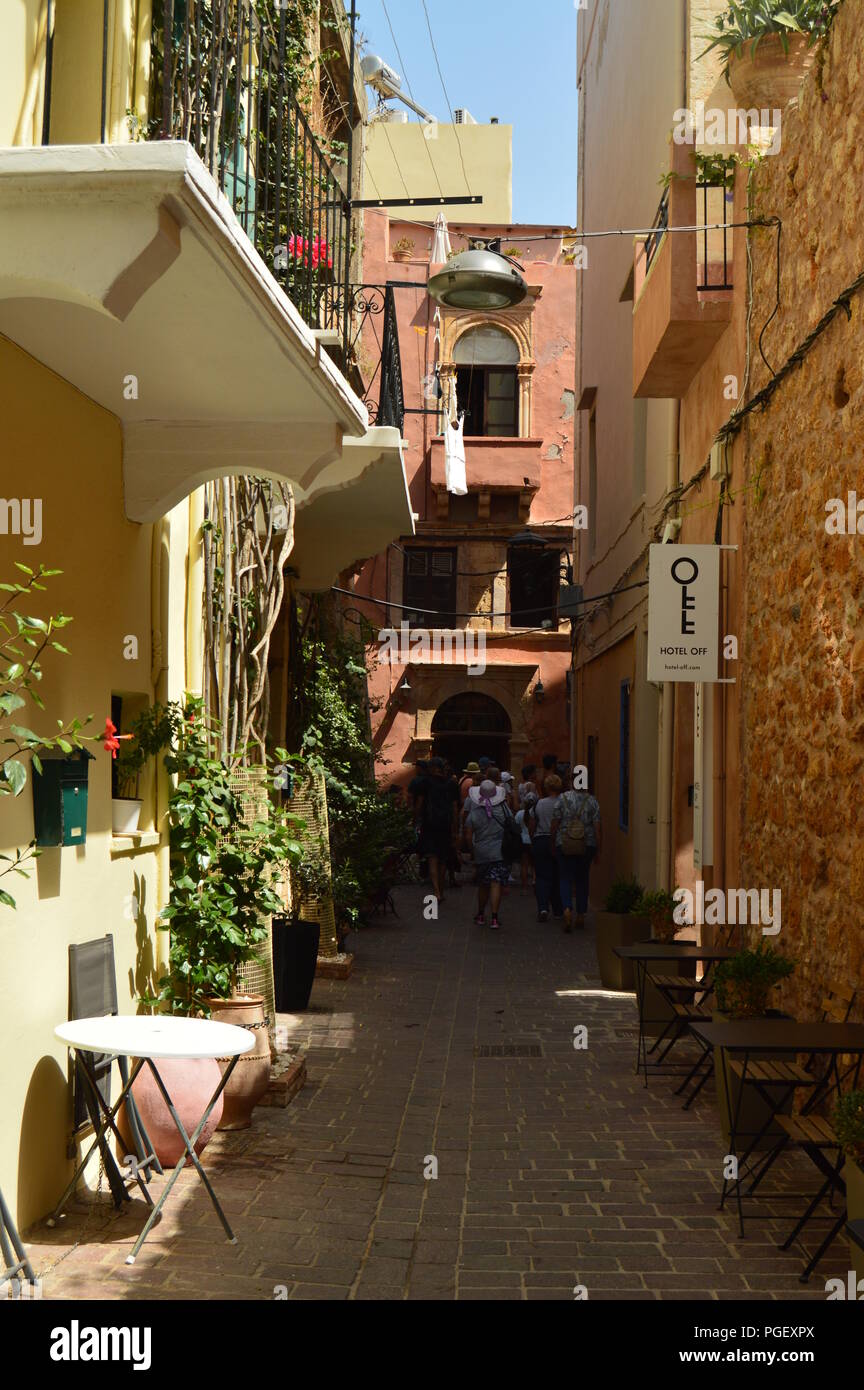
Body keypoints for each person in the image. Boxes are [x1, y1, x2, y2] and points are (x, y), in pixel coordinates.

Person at [552, 782, 602, 932]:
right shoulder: (592, 801)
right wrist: (598, 849)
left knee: (565, 878)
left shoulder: (562, 798)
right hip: (587, 844)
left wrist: (552, 841)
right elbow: (597, 827)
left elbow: (554, 823)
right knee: (582, 878)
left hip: (565, 842)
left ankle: (567, 908)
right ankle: (581, 914)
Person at [464, 779, 513, 930]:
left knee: (483, 885)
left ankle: (480, 915)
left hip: (482, 852)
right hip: (499, 852)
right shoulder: (504, 810)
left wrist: (473, 851)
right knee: (495, 883)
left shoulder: (474, 813)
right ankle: (494, 918)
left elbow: (468, 835)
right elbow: (511, 825)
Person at [413, 756, 459, 905]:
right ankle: (441, 890)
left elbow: (419, 804)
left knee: (432, 857)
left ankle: (437, 891)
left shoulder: (425, 783)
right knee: (443, 858)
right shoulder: (452, 784)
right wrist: (455, 828)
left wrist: (415, 820)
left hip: (430, 823)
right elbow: (455, 808)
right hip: (445, 824)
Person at [529, 773, 564, 920]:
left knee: (542, 876)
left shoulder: (539, 803)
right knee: (558, 876)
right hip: (558, 841)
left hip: (541, 839)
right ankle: (558, 909)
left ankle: (543, 908)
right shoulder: (564, 802)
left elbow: (532, 823)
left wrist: (532, 838)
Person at [514, 792, 536, 891]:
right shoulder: (536, 813)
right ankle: (535, 883)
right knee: (535, 865)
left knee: (524, 865)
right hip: (533, 841)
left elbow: (515, 827)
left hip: (522, 841)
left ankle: (524, 888)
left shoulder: (519, 814)